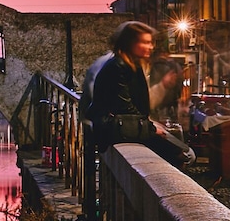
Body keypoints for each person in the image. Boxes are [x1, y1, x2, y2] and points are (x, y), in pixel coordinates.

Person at [82, 21, 193, 172]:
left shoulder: (131, 65)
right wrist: (151, 128)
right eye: (145, 42)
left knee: (181, 150)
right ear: (130, 43)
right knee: (185, 154)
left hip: (125, 126)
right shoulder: (118, 67)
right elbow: (125, 108)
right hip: (114, 129)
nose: (151, 47)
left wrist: (150, 124)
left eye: (151, 42)